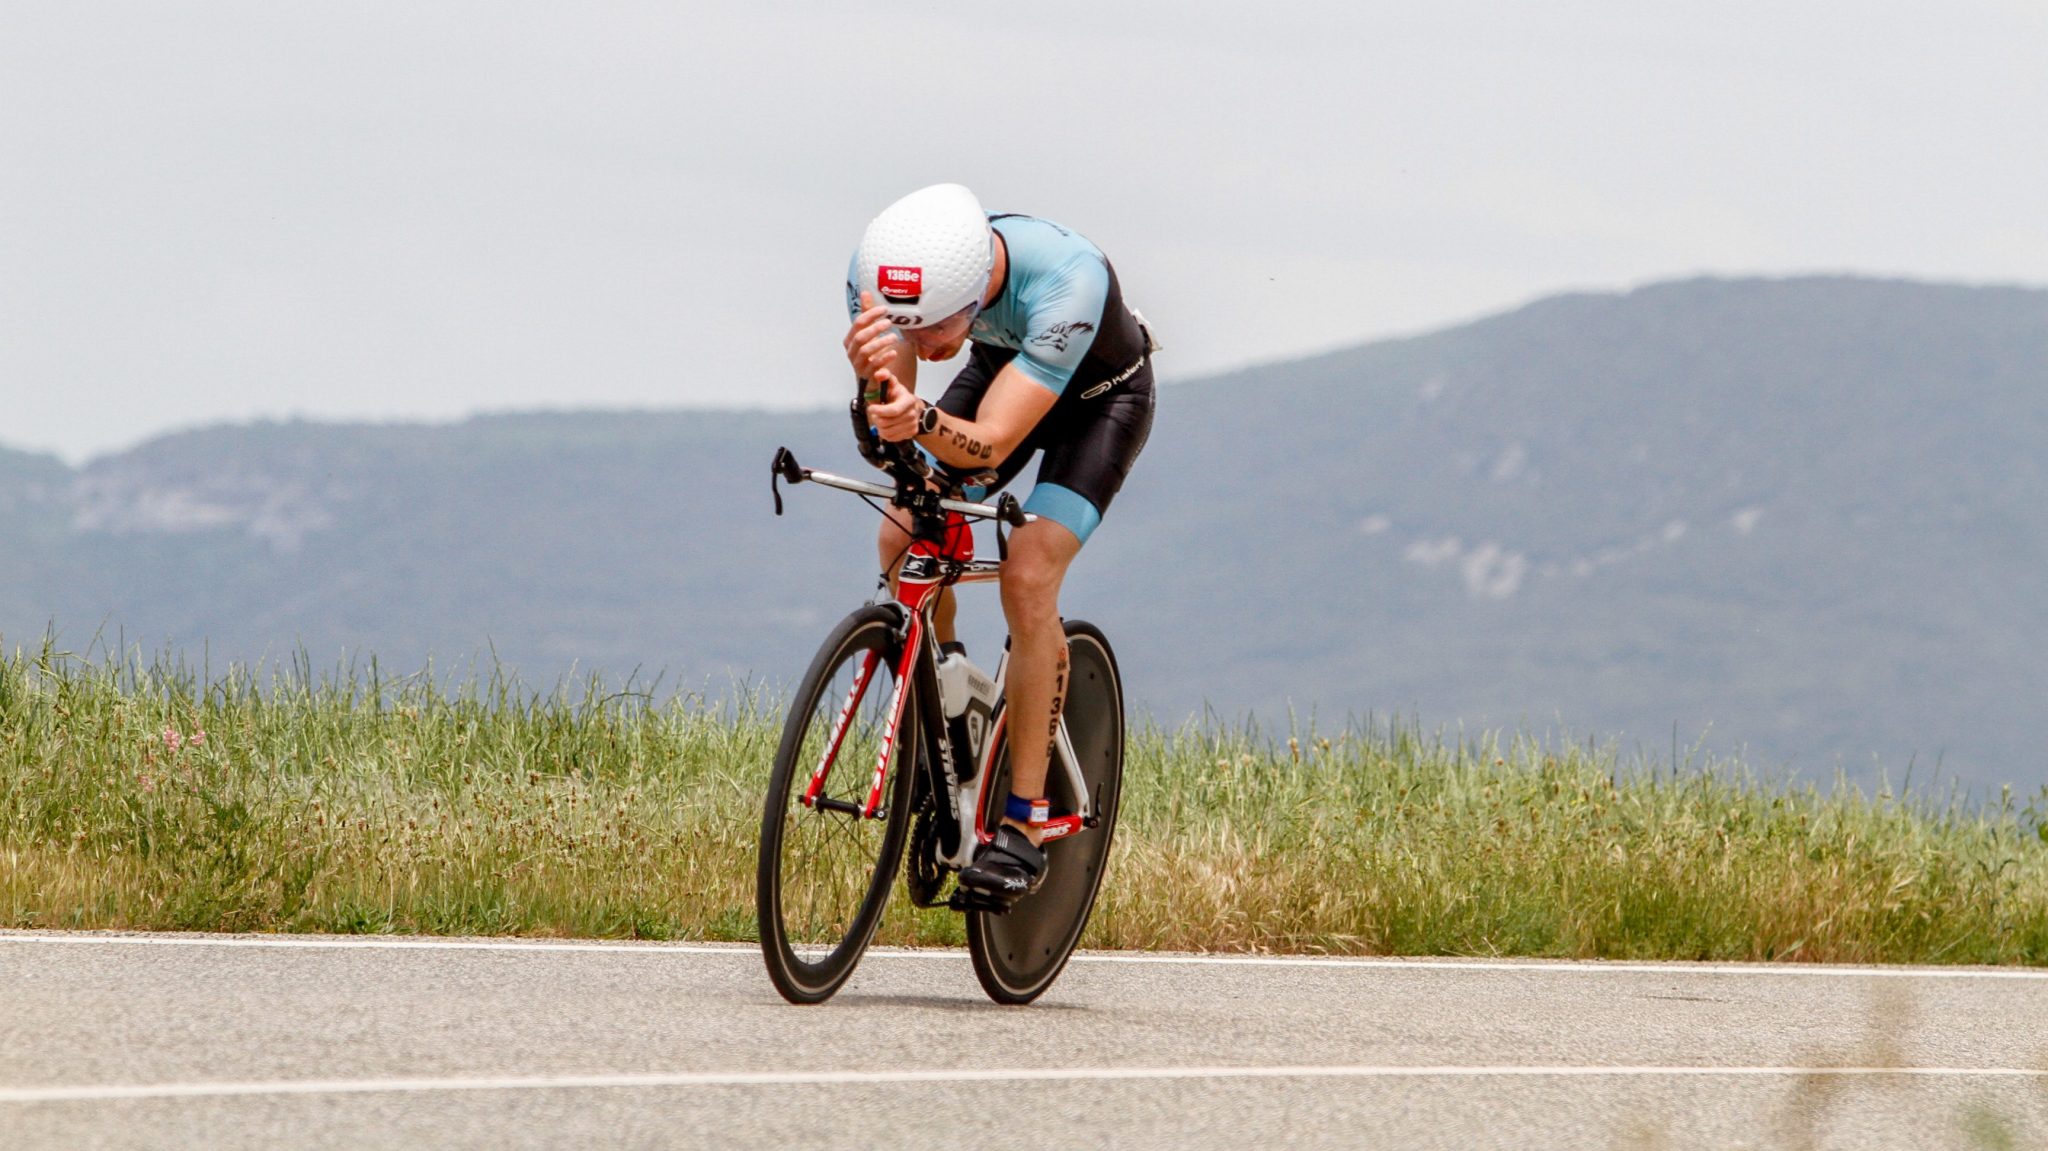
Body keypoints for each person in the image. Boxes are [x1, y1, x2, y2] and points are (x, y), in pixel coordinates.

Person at [842, 183, 1155, 906]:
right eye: (908, 331)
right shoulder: (880, 271)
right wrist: (875, 390)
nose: (923, 348)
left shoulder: (1067, 281)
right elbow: (893, 414)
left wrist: (913, 418)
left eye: (932, 334)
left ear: (977, 291)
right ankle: (946, 705)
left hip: (1099, 402)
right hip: (1008, 365)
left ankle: (1025, 821)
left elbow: (991, 441)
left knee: (1027, 572)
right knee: (901, 530)